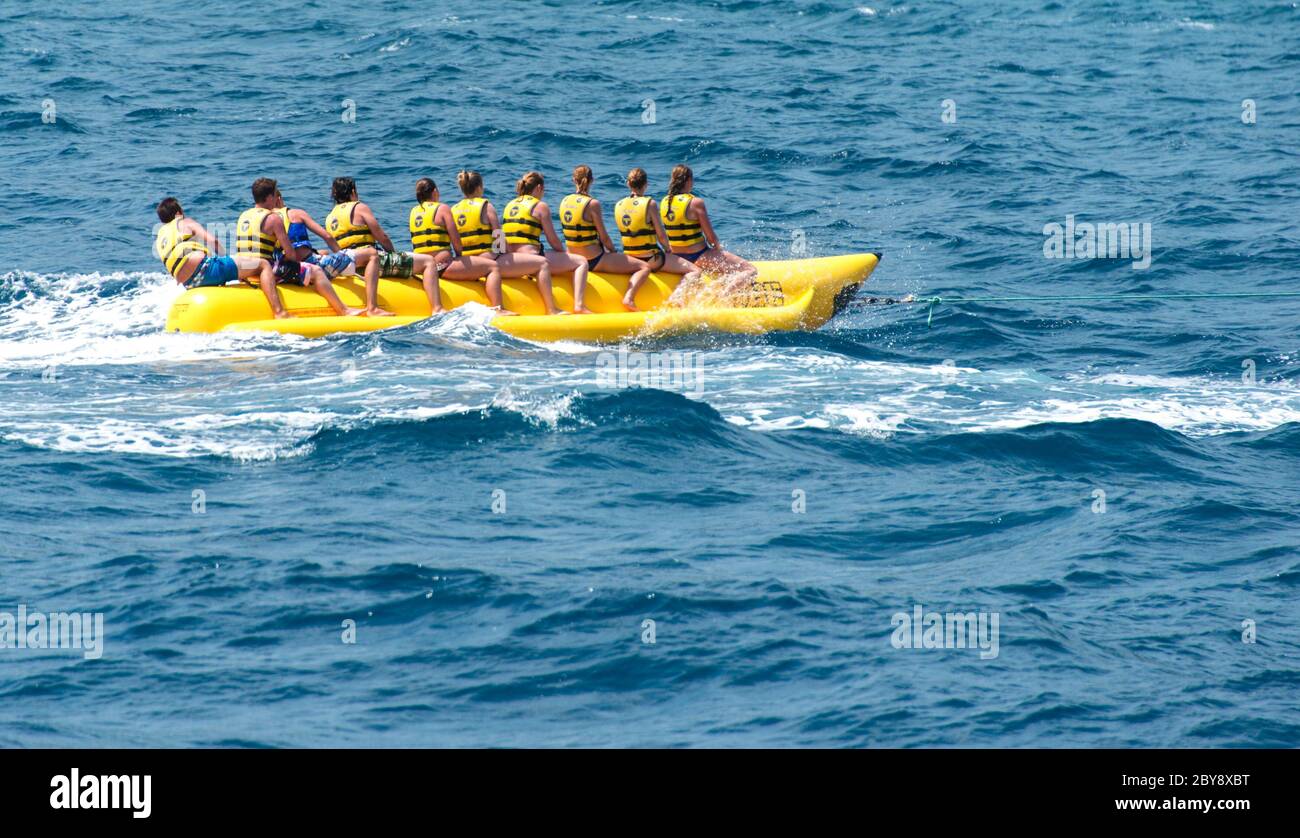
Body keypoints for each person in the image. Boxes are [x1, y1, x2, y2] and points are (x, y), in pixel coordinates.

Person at [234, 178, 356, 316]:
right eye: (275, 195)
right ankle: (344, 310)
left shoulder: (243, 216)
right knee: (315, 270)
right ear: (269, 197)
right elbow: (291, 255)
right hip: (264, 271)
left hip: (243, 270)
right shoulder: (273, 218)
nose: (276, 199)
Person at [153, 196, 290, 318]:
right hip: (206, 269)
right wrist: (227, 260)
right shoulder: (185, 221)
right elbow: (213, 241)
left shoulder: (161, 236)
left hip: (188, 283)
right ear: (178, 213)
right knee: (263, 265)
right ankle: (279, 312)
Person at [325, 177, 441, 317]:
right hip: (372, 262)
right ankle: (437, 308)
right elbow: (382, 237)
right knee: (428, 261)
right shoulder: (359, 207)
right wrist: (393, 254)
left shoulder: (330, 217)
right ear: (353, 192)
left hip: (351, 266)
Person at [452, 170, 559, 316]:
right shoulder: (486, 206)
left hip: (466, 263)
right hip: (489, 260)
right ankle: (552, 309)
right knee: (542, 263)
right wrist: (511, 255)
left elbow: (455, 243)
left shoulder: (454, 209)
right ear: (479, 188)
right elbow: (499, 239)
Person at [660, 164, 757, 306]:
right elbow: (711, 238)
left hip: (676, 258)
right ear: (688, 181)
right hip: (698, 256)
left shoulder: (664, 202)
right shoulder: (695, 203)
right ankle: (722, 298)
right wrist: (719, 249)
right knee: (750, 270)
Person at [558, 165, 651, 313]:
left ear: (573, 180)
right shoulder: (592, 204)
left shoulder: (564, 201)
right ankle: (629, 298)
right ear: (592, 181)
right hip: (594, 260)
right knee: (644, 267)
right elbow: (604, 237)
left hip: (572, 258)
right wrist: (614, 252)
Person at [409, 177, 501, 315]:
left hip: (421, 268)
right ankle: (499, 308)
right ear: (435, 192)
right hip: (443, 267)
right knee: (492, 266)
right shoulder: (443, 208)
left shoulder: (414, 212)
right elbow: (456, 241)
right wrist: (461, 258)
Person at [613, 167, 700, 310]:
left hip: (629, 258)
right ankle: (675, 301)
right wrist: (668, 249)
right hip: (650, 259)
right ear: (646, 184)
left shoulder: (619, 205)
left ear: (628, 184)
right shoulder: (650, 204)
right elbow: (660, 234)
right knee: (694, 271)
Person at [502, 171, 587, 314]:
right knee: (581, 262)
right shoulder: (540, 206)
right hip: (532, 260)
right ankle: (572, 306)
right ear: (539, 188)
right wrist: (564, 253)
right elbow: (553, 240)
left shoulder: (509, 205)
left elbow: (500, 236)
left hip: (511, 261)